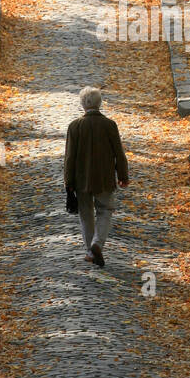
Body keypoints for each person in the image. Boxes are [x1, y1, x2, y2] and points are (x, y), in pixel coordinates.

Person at [64, 87, 129, 268]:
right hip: (104, 178)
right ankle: (97, 244)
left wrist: (68, 182)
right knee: (105, 211)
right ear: (99, 103)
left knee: (86, 215)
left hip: (81, 180)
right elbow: (119, 153)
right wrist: (123, 175)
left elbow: (69, 157)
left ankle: (90, 251)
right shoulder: (109, 125)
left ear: (83, 104)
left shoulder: (74, 126)